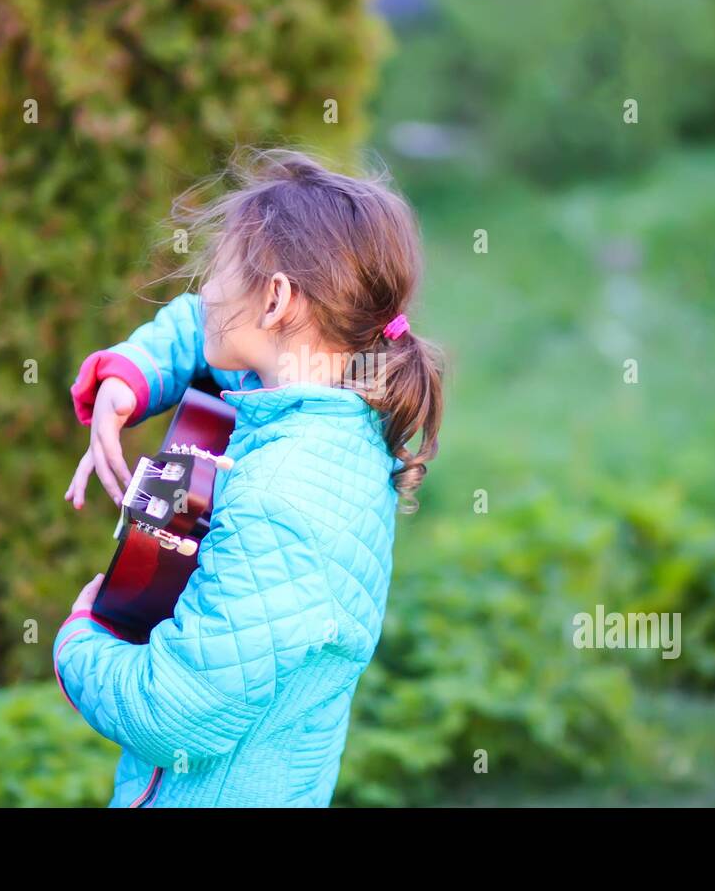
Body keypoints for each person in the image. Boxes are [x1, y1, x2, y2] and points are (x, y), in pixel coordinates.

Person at [53, 147, 444, 806]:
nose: (204, 289)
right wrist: (128, 378)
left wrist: (81, 641)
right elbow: (199, 332)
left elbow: (171, 712)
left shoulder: (279, 503)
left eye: (219, 271)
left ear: (276, 301)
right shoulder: (323, 397)